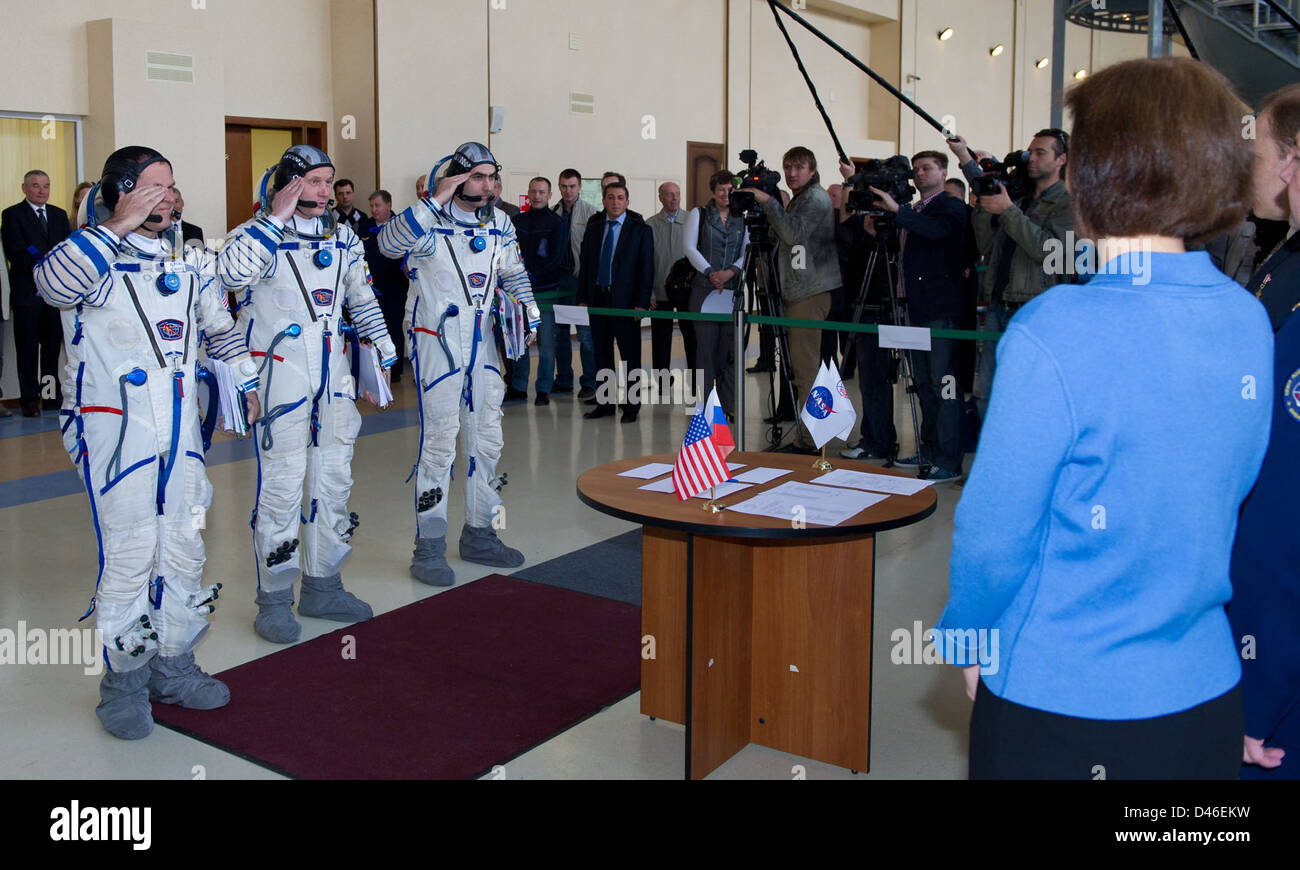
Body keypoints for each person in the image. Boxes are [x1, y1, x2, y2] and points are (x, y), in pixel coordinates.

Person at [937, 58, 1273, 779]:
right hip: (1203, 696)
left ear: (1099, 173)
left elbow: (996, 530)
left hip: (1065, 703)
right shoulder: (1249, 320)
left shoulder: (1057, 329)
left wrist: (969, 642)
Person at [33, 146, 261, 738]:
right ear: (120, 190)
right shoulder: (88, 255)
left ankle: (174, 665)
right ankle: (125, 682)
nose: (166, 198)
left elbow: (218, 327)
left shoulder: (187, 262)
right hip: (114, 429)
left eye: (170, 187)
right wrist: (115, 225)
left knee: (184, 543)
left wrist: (243, 384)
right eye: (151, 188)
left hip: (178, 426)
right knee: (132, 553)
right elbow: (51, 287)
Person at [217, 144, 396, 644]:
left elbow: (362, 300)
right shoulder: (254, 237)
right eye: (312, 181)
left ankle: (323, 583)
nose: (323, 191)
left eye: (327, 181)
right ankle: (274, 597)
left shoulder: (344, 240)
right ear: (287, 185)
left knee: (334, 481)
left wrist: (381, 348)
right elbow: (228, 276)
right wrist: (273, 219)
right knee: (281, 488)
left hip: (333, 381)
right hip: (279, 381)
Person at [379, 141, 540, 586]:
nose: (487, 185)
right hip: (437, 342)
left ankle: (480, 532)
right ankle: (428, 547)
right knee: (439, 445)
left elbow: (513, 273)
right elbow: (388, 247)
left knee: (487, 439)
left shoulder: (500, 222)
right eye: (477, 177)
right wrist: (434, 201)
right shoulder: (425, 221)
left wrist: (529, 312)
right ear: (457, 178)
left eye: (492, 177)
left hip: (484, 343)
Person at [1229, 81, 1300, 779]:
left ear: (1292, 162)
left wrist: (1255, 696)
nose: (1248, 162)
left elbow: (1283, 513)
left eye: (1260, 147)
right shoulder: (1280, 260)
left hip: (1278, 661)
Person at [855, 151, 968, 481]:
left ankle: (948, 458)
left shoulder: (950, 205)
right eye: (916, 169)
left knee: (942, 384)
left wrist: (898, 212)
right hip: (911, 307)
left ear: (943, 172)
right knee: (923, 385)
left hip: (939, 310)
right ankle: (929, 449)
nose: (919, 174)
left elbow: (938, 232)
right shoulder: (914, 210)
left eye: (927, 168)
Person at [947, 128, 1073, 421]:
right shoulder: (1021, 198)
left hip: (1036, 308)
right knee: (986, 395)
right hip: (998, 303)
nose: (1032, 158)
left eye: (1041, 152)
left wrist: (1008, 211)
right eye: (1031, 151)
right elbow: (988, 247)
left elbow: (1051, 251)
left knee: (1032, 395)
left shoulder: (1068, 202)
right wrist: (966, 161)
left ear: (1061, 159)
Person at [750, 147, 840, 452]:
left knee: (807, 370)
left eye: (799, 167)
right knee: (806, 368)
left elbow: (792, 235)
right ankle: (814, 433)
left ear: (812, 170)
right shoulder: (803, 198)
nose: (791, 173)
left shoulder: (814, 199)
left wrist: (769, 203)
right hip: (800, 290)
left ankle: (812, 440)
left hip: (809, 291)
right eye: (788, 167)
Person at [578, 181, 654, 422]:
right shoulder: (594, 228)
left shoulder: (640, 230)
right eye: (611, 197)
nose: (615, 202)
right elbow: (586, 265)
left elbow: (646, 269)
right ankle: (606, 403)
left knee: (630, 355)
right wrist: (583, 299)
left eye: (620, 198)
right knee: (602, 354)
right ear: (604, 200)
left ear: (627, 202)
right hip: (598, 299)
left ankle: (631, 407)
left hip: (626, 302)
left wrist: (641, 303)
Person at [2, 170, 71, 416]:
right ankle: (29, 400)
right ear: (24, 188)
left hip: (54, 295)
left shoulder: (58, 215)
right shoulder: (12, 215)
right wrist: (45, 266)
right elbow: (16, 252)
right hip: (27, 294)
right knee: (28, 350)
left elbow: (66, 249)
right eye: (36, 186)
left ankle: (50, 396)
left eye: (46, 186)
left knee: (51, 350)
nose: (41, 190)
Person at [683, 170, 747, 419]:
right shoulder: (699, 214)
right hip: (704, 290)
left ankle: (728, 405)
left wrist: (730, 272)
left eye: (730, 189)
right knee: (706, 351)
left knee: (729, 351)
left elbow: (746, 250)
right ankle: (706, 405)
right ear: (713, 191)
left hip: (731, 290)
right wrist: (711, 272)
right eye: (721, 189)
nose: (726, 194)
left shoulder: (742, 217)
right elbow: (689, 248)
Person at [507, 176, 568, 406]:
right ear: (528, 193)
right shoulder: (517, 221)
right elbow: (511, 253)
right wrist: (520, 277)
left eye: (542, 192)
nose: (537, 196)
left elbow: (557, 257)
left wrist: (535, 274)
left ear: (549, 195)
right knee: (520, 342)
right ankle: (518, 386)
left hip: (547, 292)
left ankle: (543, 387)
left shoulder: (557, 223)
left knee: (546, 343)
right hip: (520, 293)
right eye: (533, 191)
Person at [552, 168, 598, 399]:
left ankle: (590, 381)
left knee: (585, 337)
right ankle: (564, 379)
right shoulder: (554, 212)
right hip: (561, 283)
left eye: (572, 186)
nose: (567, 190)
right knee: (560, 335)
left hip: (581, 284)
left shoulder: (591, 214)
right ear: (558, 187)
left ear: (579, 187)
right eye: (563, 186)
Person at [357, 189, 409, 382]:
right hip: (372, 287)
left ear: (388, 205)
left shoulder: (400, 225)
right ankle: (375, 368)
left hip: (395, 286)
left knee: (393, 327)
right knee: (372, 327)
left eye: (377, 205)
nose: (374, 209)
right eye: (371, 206)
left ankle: (394, 370)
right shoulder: (364, 227)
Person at [646, 181, 696, 381]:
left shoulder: (692, 221)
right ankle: (662, 378)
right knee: (660, 338)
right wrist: (648, 292)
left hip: (687, 292)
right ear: (660, 198)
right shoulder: (650, 224)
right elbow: (646, 262)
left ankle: (695, 376)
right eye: (669, 194)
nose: (674, 198)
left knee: (691, 336)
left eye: (677, 194)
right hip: (660, 291)